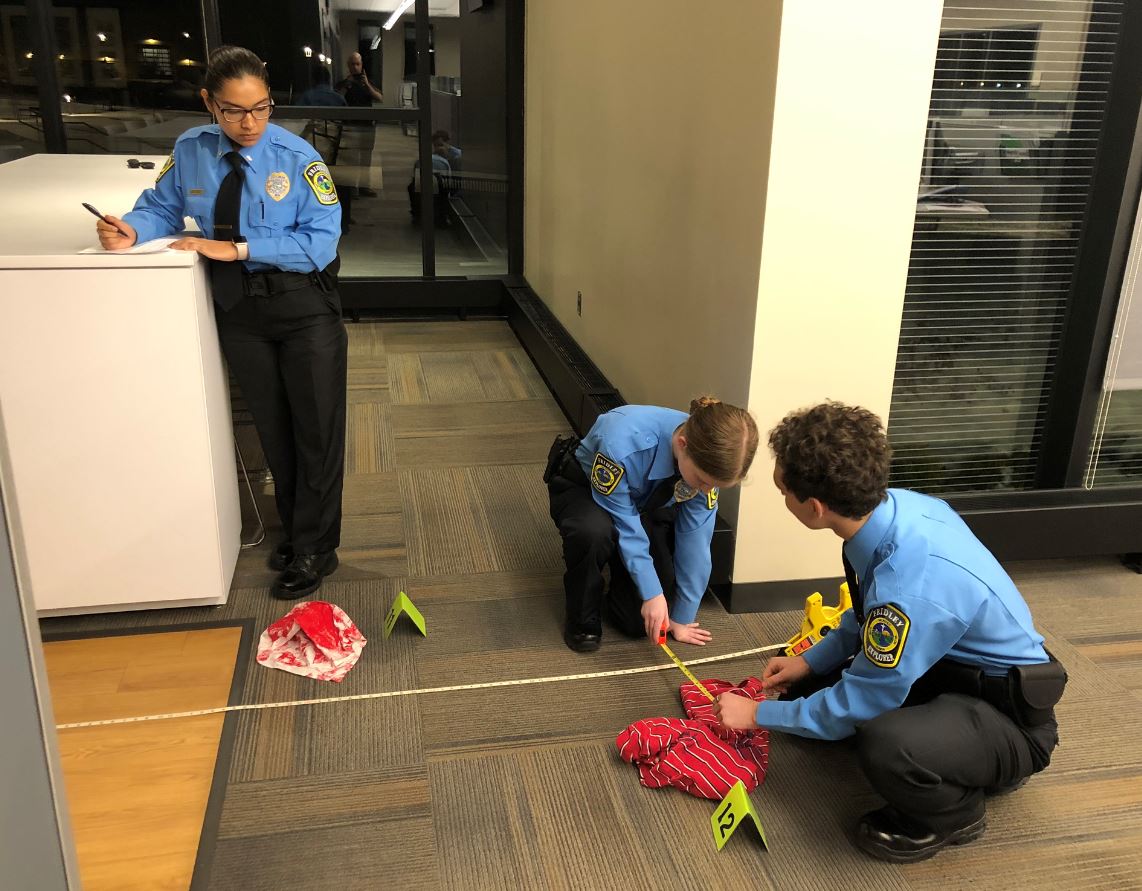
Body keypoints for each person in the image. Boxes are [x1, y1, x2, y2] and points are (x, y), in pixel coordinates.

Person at [713, 402, 1067, 863]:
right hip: (949, 669)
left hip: (1010, 720)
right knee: (812, 682)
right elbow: (866, 615)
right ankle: (938, 741)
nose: (781, 495)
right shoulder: (895, 509)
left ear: (815, 509)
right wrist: (808, 660)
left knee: (884, 740)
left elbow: (867, 693)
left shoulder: (909, 586)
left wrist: (756, 717)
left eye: (783, 491)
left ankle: (954, 813)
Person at [95, 45, 348, 602]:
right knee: (274, 431)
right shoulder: (190, 151)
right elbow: (160, 205)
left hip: (303, 307)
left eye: (261, 107)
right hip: (240, 312)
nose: (250, 122)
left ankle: (316, 546)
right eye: (234, 110)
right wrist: (132, 229)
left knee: (317, 432)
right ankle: (296, 530)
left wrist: (234, 248)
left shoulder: (298, 158)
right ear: (209, 103)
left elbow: (320, 242)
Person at [545, 398, 758, 652]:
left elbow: (696, 543)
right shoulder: (621, 443)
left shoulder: (707, 463)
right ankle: (582, 619)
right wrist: (651, 591)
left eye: (714, 486)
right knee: (594, 533)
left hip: (644, 504)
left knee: (641, 623)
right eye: (702, 481)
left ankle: (619, 572)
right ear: (682, 445)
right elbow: (626, 524)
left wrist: (682, 616)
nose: (706, 490)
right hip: (586, 491)